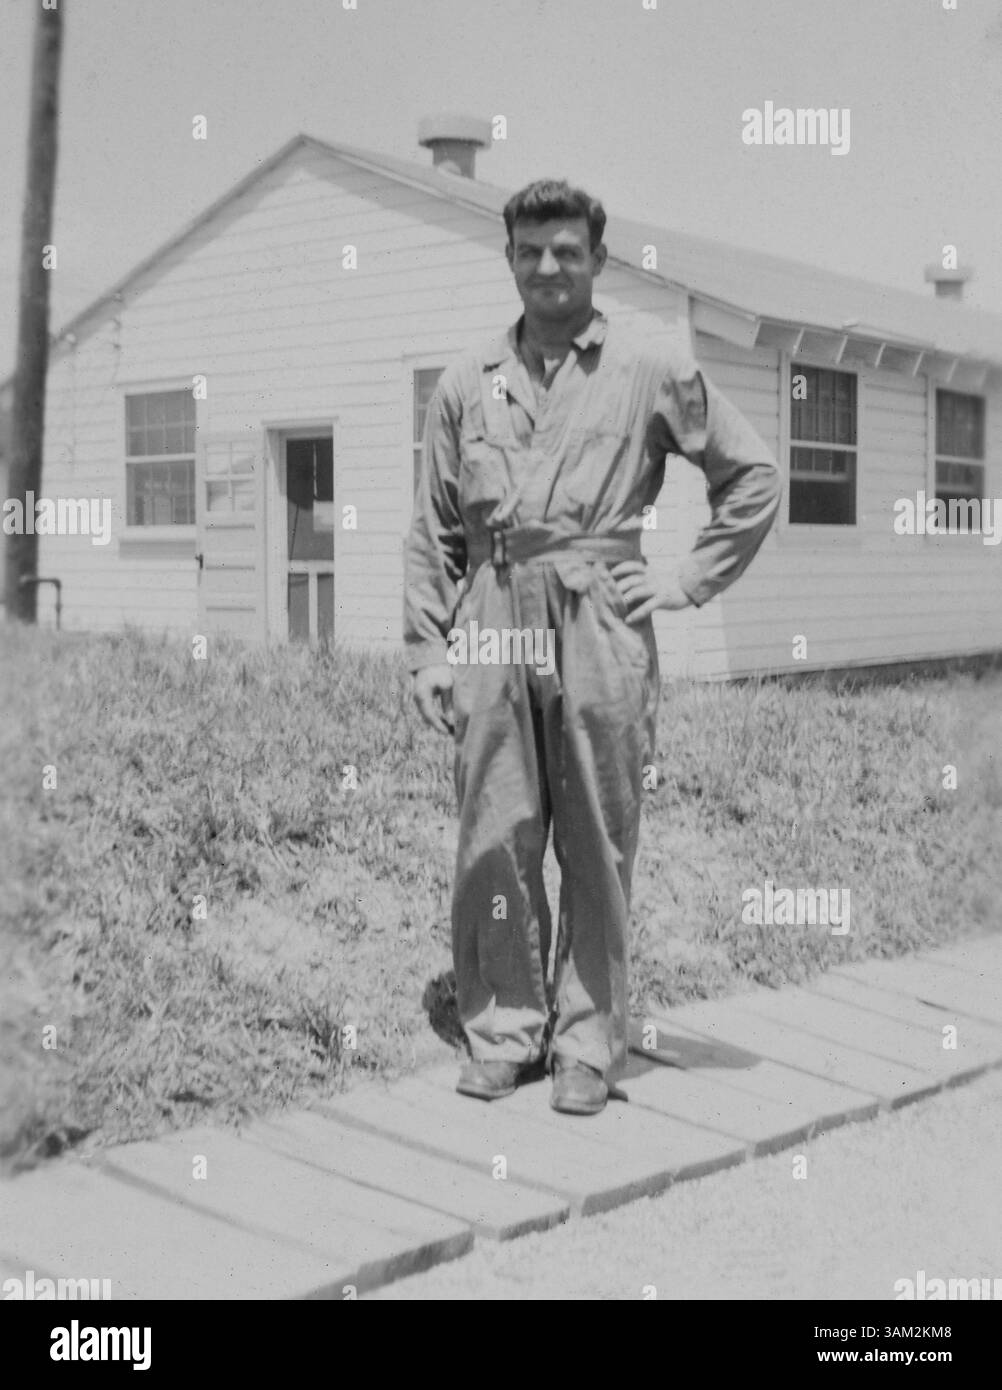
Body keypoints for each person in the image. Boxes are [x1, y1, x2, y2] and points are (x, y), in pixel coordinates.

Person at [404, 179, 781, 1115]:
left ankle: (587, 1042)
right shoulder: (467, 382)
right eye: (530, 250)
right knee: (496, 834)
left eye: (567, 250)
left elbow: (755, 476)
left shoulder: (650, 368)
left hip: (600, 619)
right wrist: (428, 649)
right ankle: (502, 1030)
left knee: (598, 838)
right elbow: (434, 531)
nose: (547, 267)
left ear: (598, 261)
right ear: (510, 261)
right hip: (494, 612)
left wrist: (685, 581)